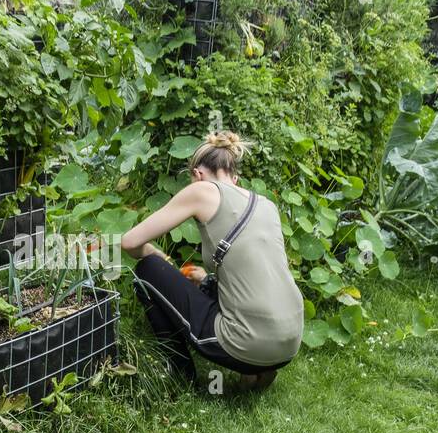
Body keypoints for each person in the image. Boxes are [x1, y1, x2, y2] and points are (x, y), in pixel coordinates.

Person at [119, 131, 304, 391]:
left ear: (197, 175)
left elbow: (129, 242)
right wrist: (206, 280)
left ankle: (180, 375)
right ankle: (261, 366)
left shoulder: (202, 191)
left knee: (148, 269)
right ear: (235, 178)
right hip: (291, 340)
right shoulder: (266, 205)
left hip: (247, 343)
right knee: (206, 284)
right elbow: (255, 276)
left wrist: (156, 255)